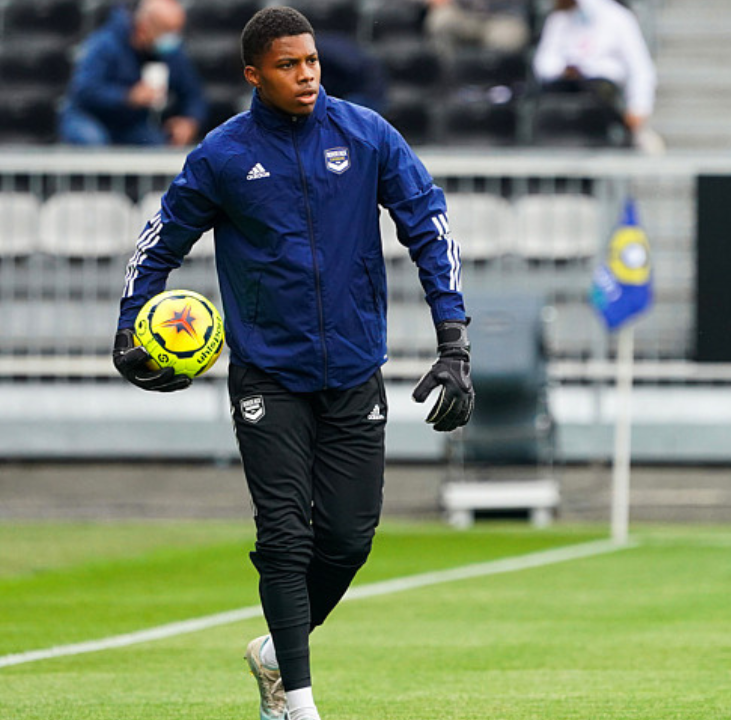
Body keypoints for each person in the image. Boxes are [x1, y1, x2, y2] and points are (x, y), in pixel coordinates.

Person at [111, 7, 473, 719]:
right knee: (284, 534)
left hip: (354, 372)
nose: (306, 75)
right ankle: (295, 704)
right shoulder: (221, 155)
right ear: (254, 74)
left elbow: (429, 226)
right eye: (287, 65)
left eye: (310, 62)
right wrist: (129, 331)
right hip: (267, 374)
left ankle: (278, 652)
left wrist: (453, 341)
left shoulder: (368, 135)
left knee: (347, 540)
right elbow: (158, 244)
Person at [61, 0, 208, 147]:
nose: (172, 38)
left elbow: (193, 93)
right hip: (89, 117)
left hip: (131, 124)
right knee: (92, 143)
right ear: (144, 26)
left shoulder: (171, 54)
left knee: (158, 146)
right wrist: (127, 97)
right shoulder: (104, 45)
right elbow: (84, 91)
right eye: (167, 30)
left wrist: (190, 120)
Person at [532, 0, 662, 150]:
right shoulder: (559, 18)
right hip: (565, 86)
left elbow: (640, 67)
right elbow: (544, 63)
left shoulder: (618, 17)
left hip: (603, 93)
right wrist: (564, 70)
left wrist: (638, 107)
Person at [420, 0, 530, 64]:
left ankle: (497, 85)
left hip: (503, 18)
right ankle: (448, 78)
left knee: (511, 37)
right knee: (441, 20)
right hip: (464, 15)